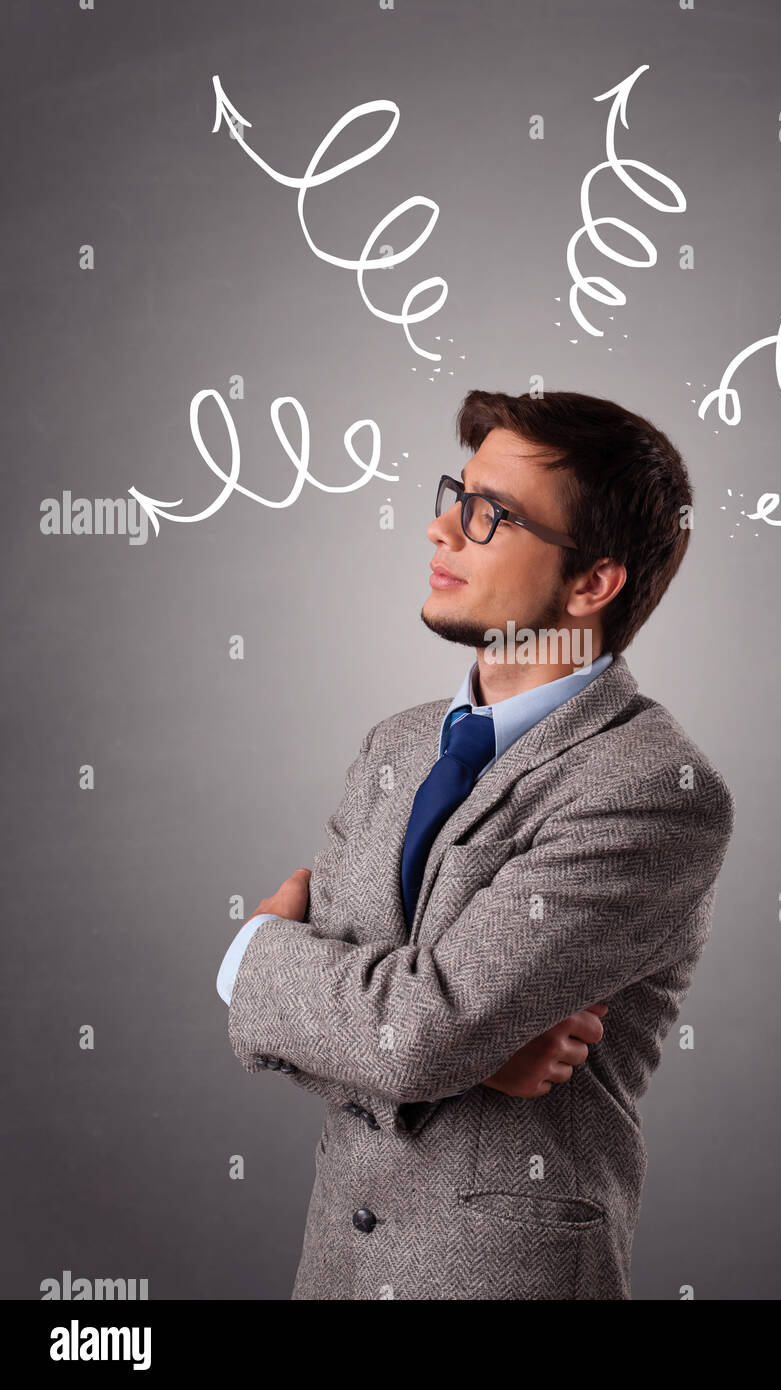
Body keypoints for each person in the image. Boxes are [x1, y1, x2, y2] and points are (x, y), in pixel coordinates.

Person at [217, 389, 735, 1299]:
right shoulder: (396, 746)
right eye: (457, 492)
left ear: (591, 583)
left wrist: (249, 957)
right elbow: (413, 1036)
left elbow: (415, 1034)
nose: (440, 530)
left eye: (489, 515)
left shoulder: (653, 791)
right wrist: (458, 1048)